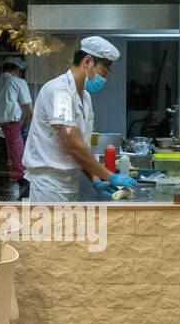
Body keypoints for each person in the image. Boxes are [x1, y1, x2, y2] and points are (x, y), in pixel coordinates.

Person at [22, 36, 140, 202]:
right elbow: (73, 146)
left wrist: (96, 180)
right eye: (104, 71)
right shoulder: (59, 92)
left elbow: (81, 148)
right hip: (48, 186)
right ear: (87, 62)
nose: (105, 78)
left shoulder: (85, 97)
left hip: (69, 183)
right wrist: (110, 176)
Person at [0, 56, 33, 195]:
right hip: (12, 128)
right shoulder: (18, 82)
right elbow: (29, 109)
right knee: (19, 165)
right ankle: (23, 195)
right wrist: (26, 125)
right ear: (17, 69)